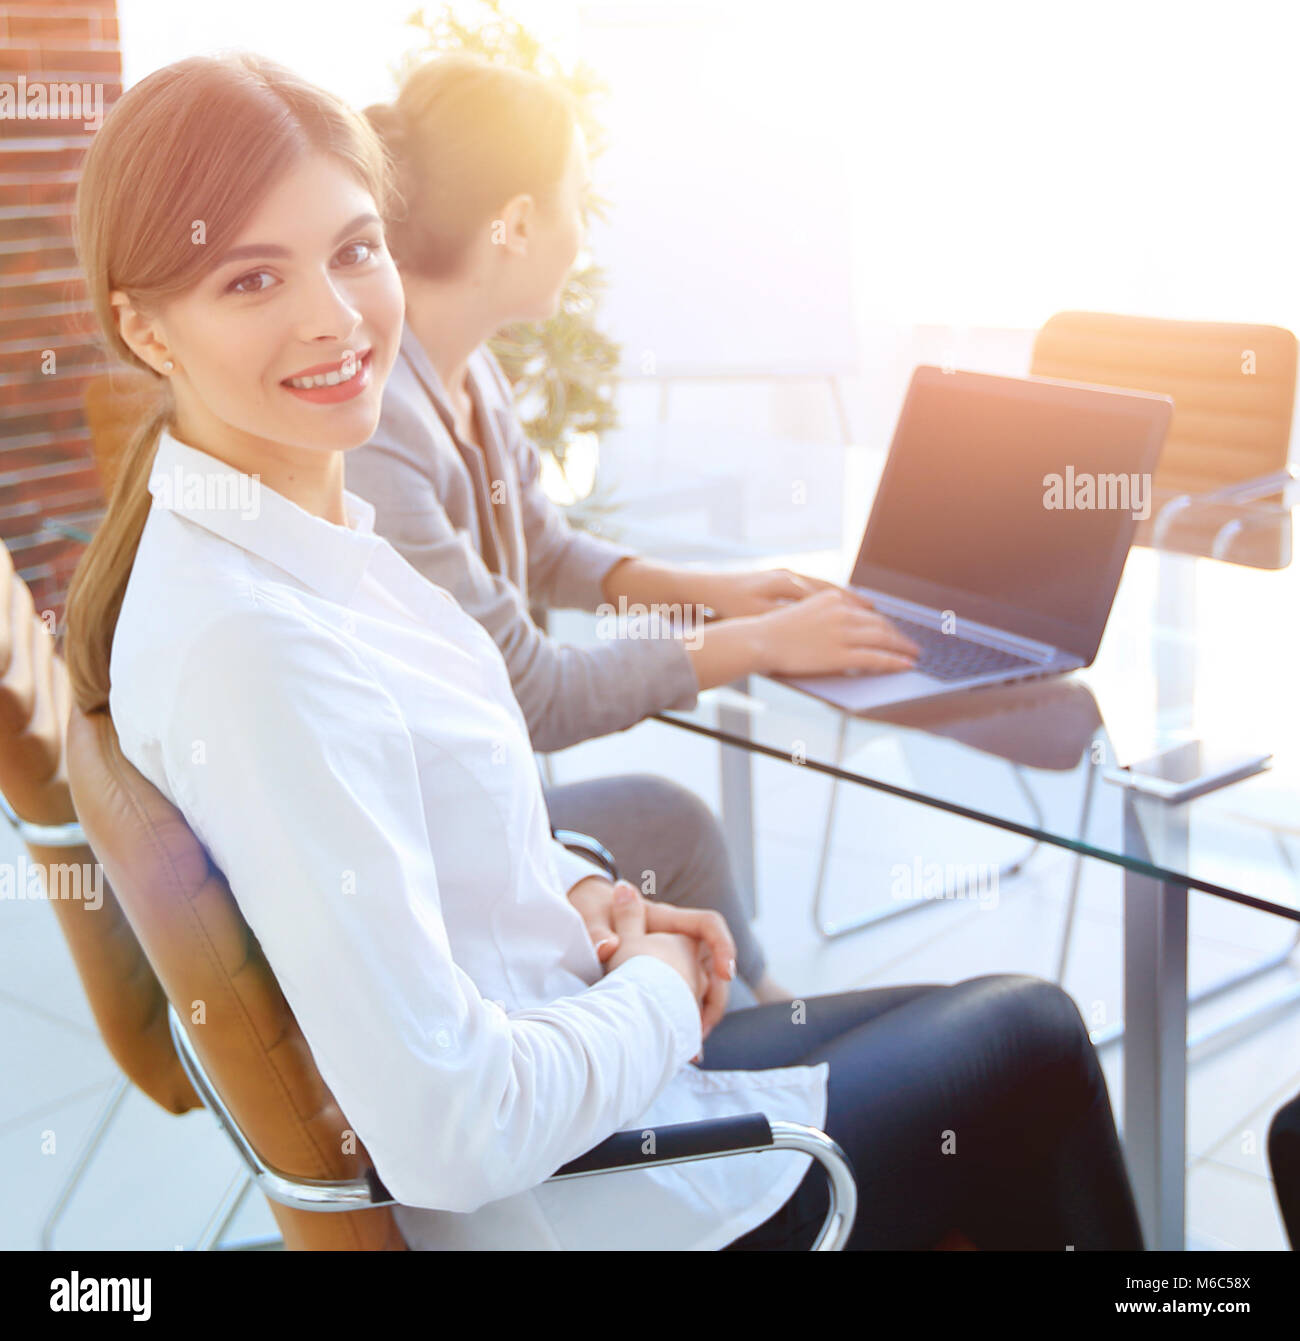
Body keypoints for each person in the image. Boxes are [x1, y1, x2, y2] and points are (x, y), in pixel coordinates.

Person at [64, 53, 1144, 1251]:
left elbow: (445, 828)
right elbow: (453, 1129)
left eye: (355, 249)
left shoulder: (286, 541)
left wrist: (591, 899)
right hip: (590, 1194)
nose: (335, 314)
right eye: (253, 277)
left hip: (583, 1056)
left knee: (963, 1020)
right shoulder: (252, 648)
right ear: (144, 330)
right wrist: (652, 994)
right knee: (1031, 1038)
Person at [347, 54, 922, 1009]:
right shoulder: (380, 430)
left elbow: (550, 550)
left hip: (471, 809)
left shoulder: (462, 369)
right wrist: (759, 641)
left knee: (678, 827)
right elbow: (537, 691)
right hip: (431, 848)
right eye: (578, 201)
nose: (583, 235)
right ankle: (770, 1045)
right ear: (518, 226)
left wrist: (725, 591)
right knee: (677, 829)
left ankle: (767, 1022)